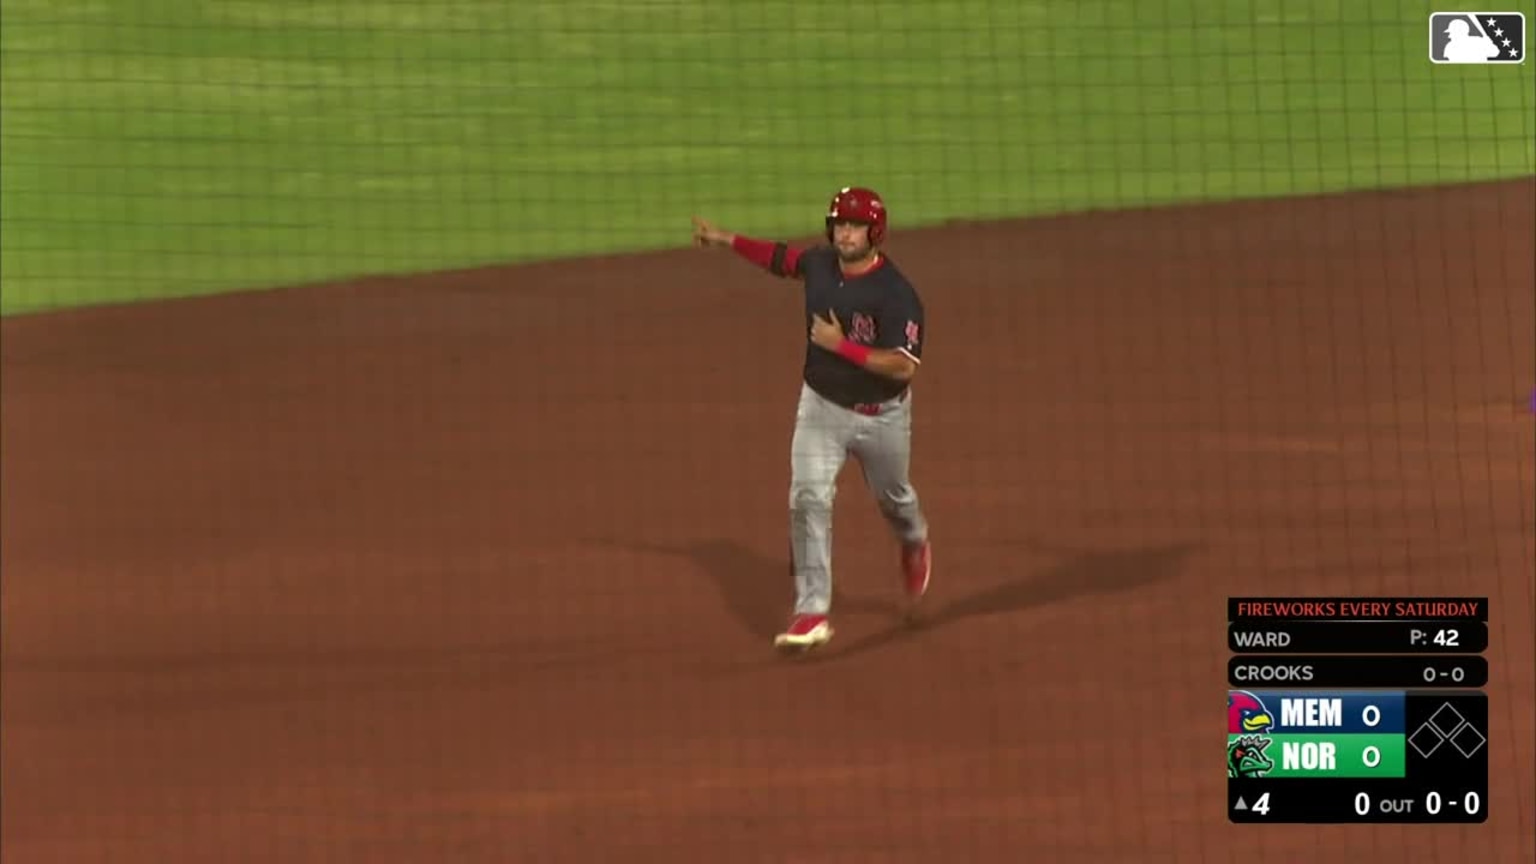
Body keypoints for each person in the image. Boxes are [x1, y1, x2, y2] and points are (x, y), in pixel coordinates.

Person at [692, 186, 933, 651]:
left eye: (855, 225)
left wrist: (840, 345)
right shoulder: (821, 265)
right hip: (820, 408)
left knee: (895, 500)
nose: (845, 232)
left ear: (874, 231)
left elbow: (904, 365)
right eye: (840, 223)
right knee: (807, 497)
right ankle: (811, 611)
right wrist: (727, 239)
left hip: (882, 417)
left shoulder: (896, 294)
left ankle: (915, 541)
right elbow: (780, 259)